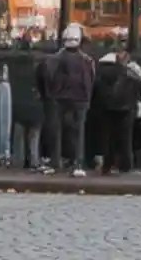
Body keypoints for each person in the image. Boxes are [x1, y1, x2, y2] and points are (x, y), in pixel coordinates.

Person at [44, 23, 95, 177]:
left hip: (59, 98)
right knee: (79, 131)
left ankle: (56, 163)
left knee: (56, 131)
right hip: (80, 98)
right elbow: (90, 79)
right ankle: (78, 164)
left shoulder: (55, 59)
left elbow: (48, 77)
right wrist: (87, 97)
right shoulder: (86, 60)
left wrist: (52, 93)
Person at [93, 45, 141, 175]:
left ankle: (107, 165)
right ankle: (125, 166)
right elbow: (137, 89)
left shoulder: (101, 72)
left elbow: (96, 89)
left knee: (108, 138)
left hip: (106, 108)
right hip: (126, 109)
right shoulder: (130, 73)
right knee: (125, 138)